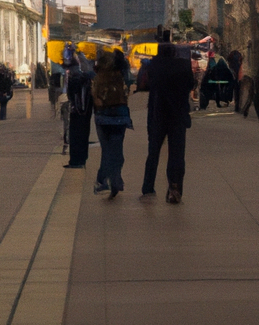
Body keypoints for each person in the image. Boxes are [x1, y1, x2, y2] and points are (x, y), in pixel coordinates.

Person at [141, 34, 194, 203]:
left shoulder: (155, 65)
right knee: (177, 154)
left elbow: (149, 86)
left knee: (153, 152)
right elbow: (191, 84)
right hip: (178, 115)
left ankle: (148, 187)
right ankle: (175, 189)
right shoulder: (183, 66)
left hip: (159, 114)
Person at [92, 49, 133, 198]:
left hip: (103, 118)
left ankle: (103, 180)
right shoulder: (121, 75)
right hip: (120, 117)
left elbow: (94, 98)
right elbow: (129, 84)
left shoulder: (98, 77)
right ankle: (115, 178)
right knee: (117, 150)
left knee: (107, 150)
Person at [64, 45, 94, 168]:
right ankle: (80, 159)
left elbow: (73, 96)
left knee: (76, 135)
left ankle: (76, 160)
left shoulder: (77, 80)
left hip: (78, 111)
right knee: (83, 134)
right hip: (84, 112)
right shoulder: (87, 79)